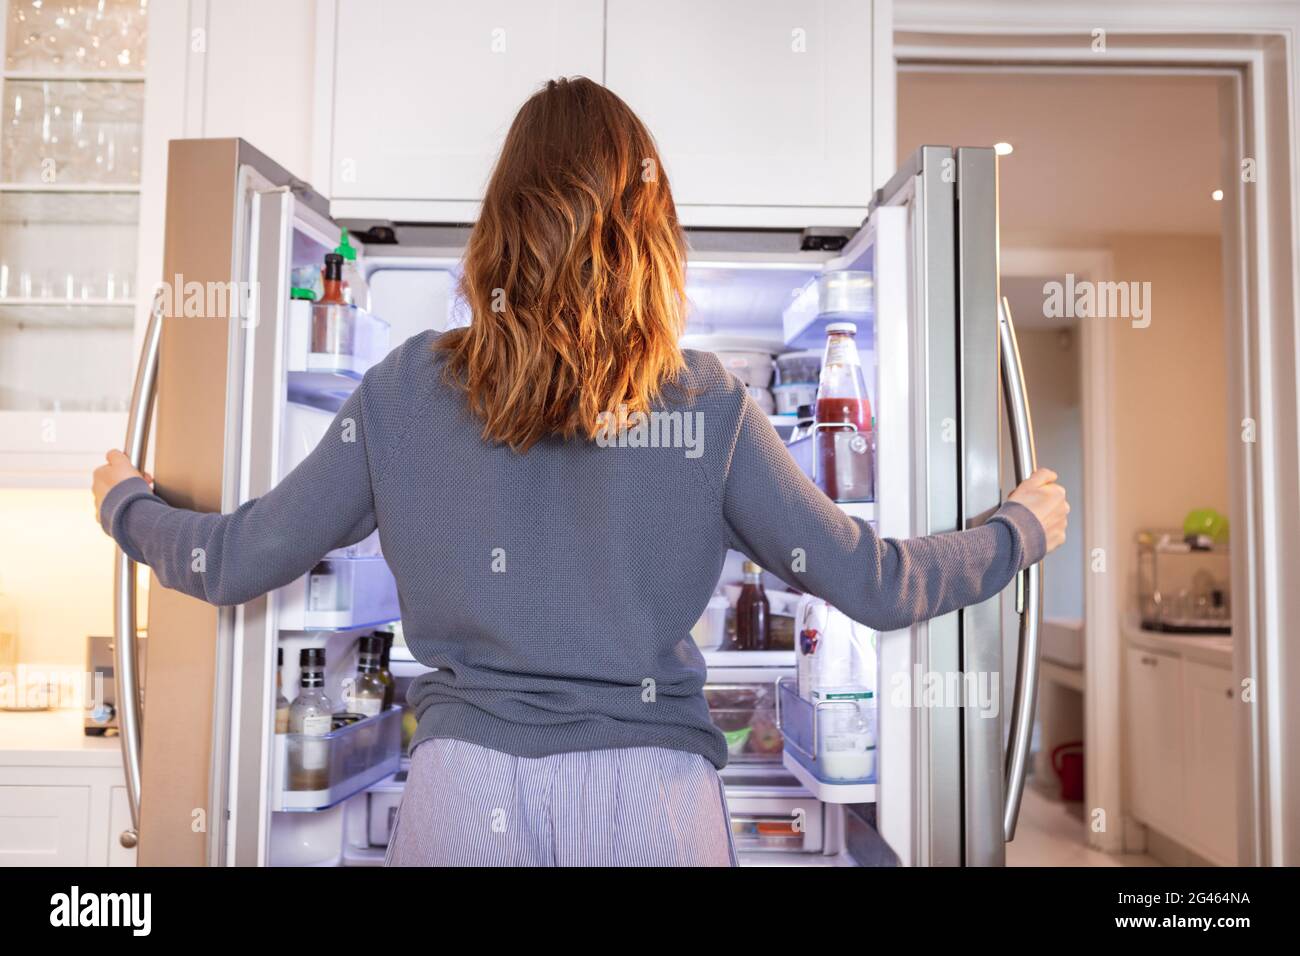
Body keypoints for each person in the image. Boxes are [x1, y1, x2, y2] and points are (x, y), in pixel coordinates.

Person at [93, 77, 1068, 867]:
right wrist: (1017, 527)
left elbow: (236, 556)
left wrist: (127, 503)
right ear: (644, 226)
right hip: (651, 804)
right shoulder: (706, 401)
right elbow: (871, 580)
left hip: (460, 796)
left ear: (501, 222)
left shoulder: (403, 391)